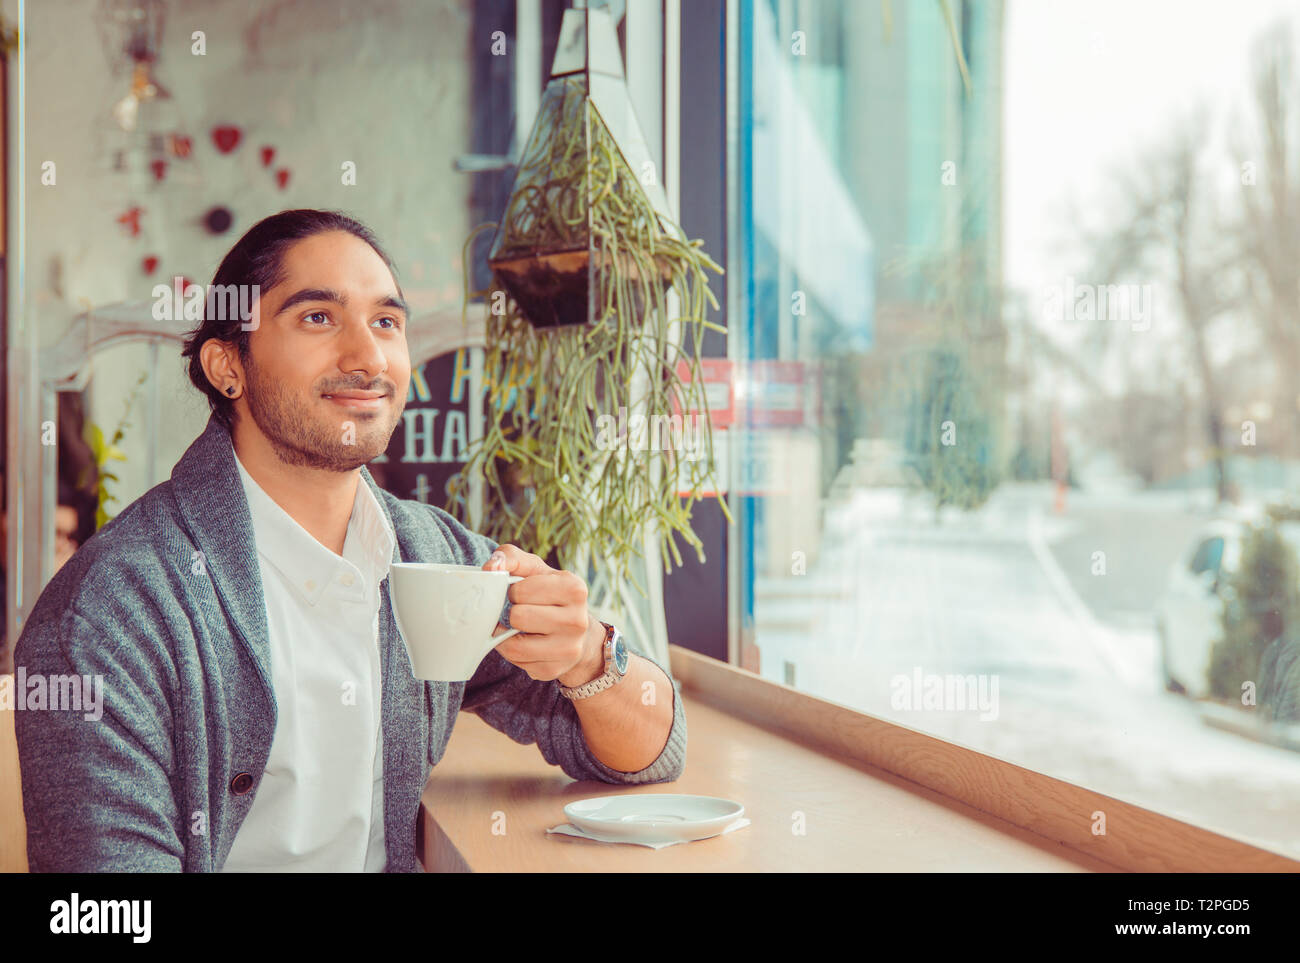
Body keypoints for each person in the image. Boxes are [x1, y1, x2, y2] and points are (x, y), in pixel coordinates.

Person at [14, 209, 686, 872]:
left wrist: (588, 656)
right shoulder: (109, 612)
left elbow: (652, 749)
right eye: (317, 317)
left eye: (387, 323)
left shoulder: (433, 557)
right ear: (228, 366)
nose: (368, 358)